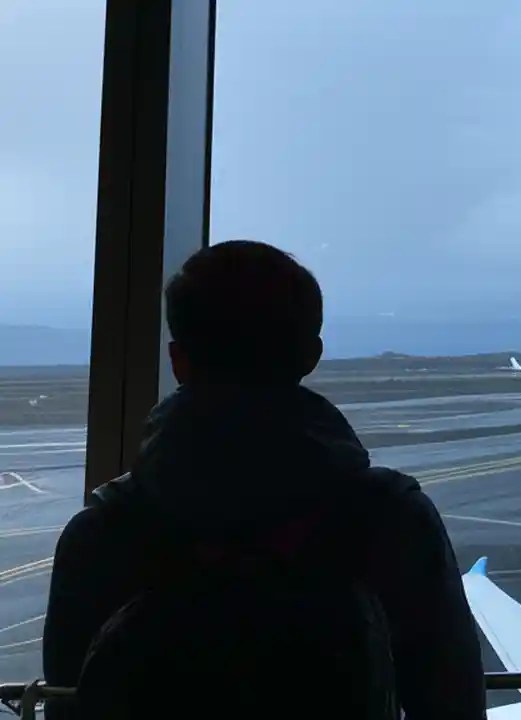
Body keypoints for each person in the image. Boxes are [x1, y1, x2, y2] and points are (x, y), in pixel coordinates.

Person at [43, 240, 487, 719]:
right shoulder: (392, 520)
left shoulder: (100, 536)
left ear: (178, 359)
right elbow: (451, 702)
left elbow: (70, 703)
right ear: (310, 355)